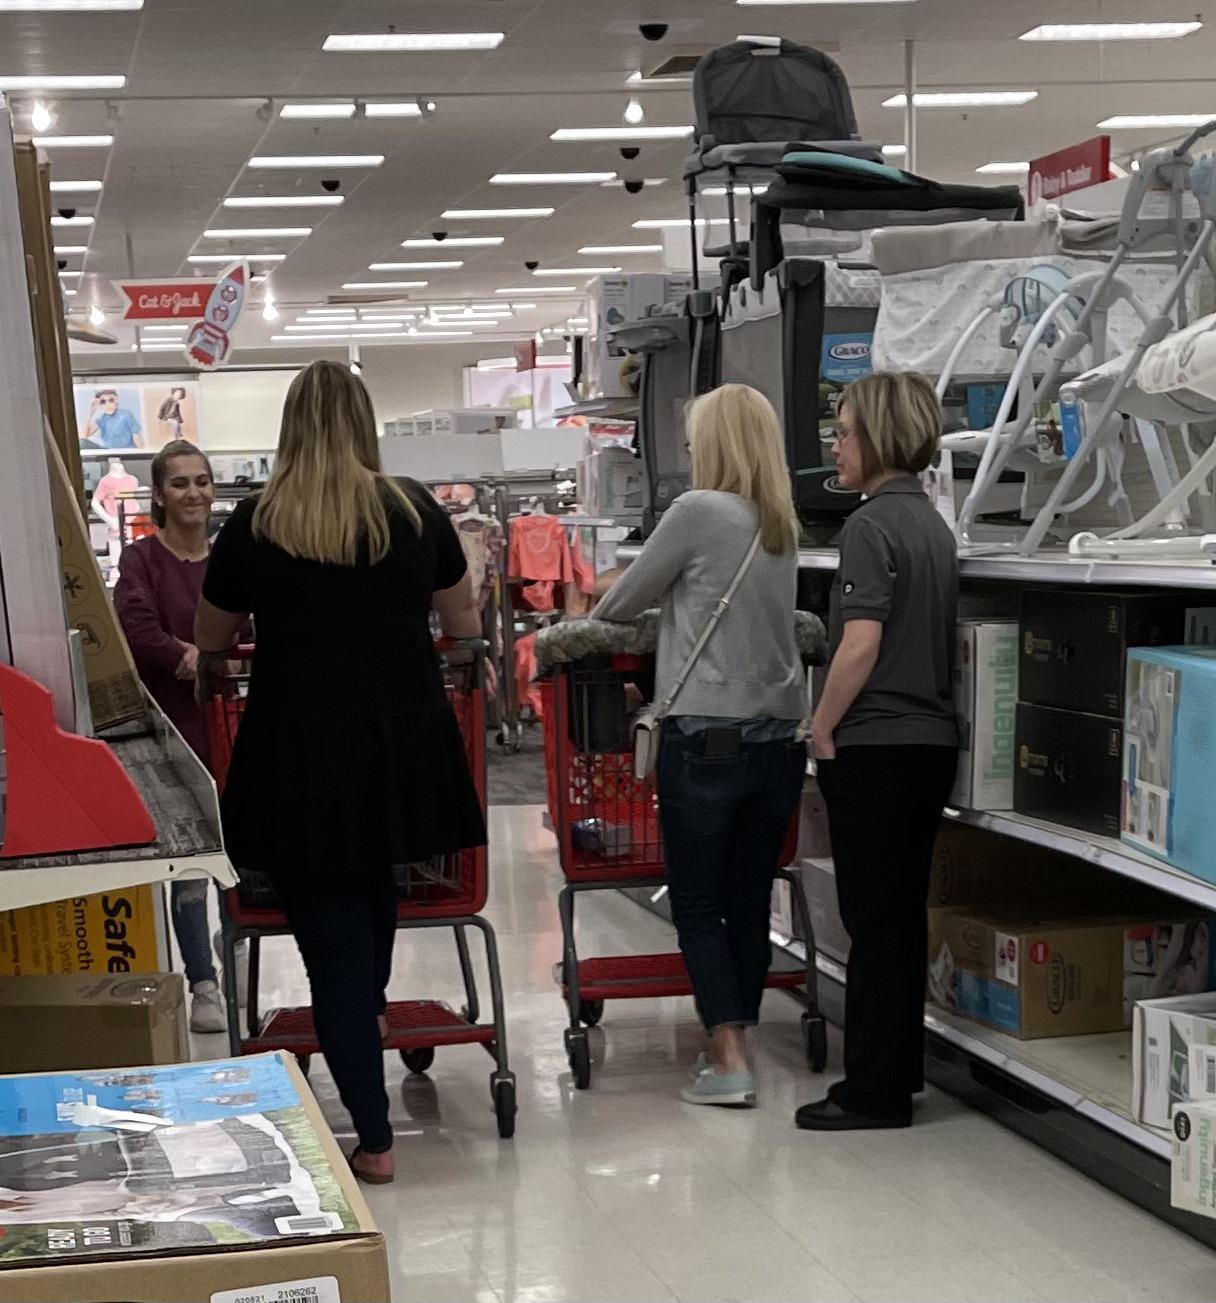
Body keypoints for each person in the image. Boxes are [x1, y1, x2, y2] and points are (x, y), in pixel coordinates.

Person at [194, 360, 487, 1184]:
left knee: (331, 945)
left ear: (291, 427)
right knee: (372, 903)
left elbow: (211, 636)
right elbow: (461, 621)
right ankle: (368, 1043)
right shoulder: (413, 508)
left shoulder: (256, 522)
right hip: (401, 745)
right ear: (365, 423)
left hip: (297, 752)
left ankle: (376, 1134)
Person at [594, 383, 807, 1108]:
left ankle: (729, 1055)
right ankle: (734, 1037)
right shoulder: (782, 522)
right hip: (780, 740)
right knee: (748, 900)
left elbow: (617, 606)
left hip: (707, 737)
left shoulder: (697, 512)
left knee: (697, 902)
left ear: (712, 445)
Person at [795, 371, 959, 1133]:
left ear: (882, 437)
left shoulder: (868, 527)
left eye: (847, 430)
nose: (837, 443)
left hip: (877, 742)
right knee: (901, 915)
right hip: (929, 743)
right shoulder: (931, 523)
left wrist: (821, 725)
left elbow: (859, 644)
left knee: (872, 919)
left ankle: (873, 1091)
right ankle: (901, 1070)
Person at [114, 441, 229, 1034]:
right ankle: (203, 983)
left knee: (240, 854)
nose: (194, 494)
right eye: (180, 483)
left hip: (234, 726)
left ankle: (233, 939)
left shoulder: (231, 557)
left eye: (203, 482)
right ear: (158, 495)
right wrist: (187, 657)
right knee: (188, 864)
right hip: (171, 733)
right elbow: (133, 628)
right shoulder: (141, 562)